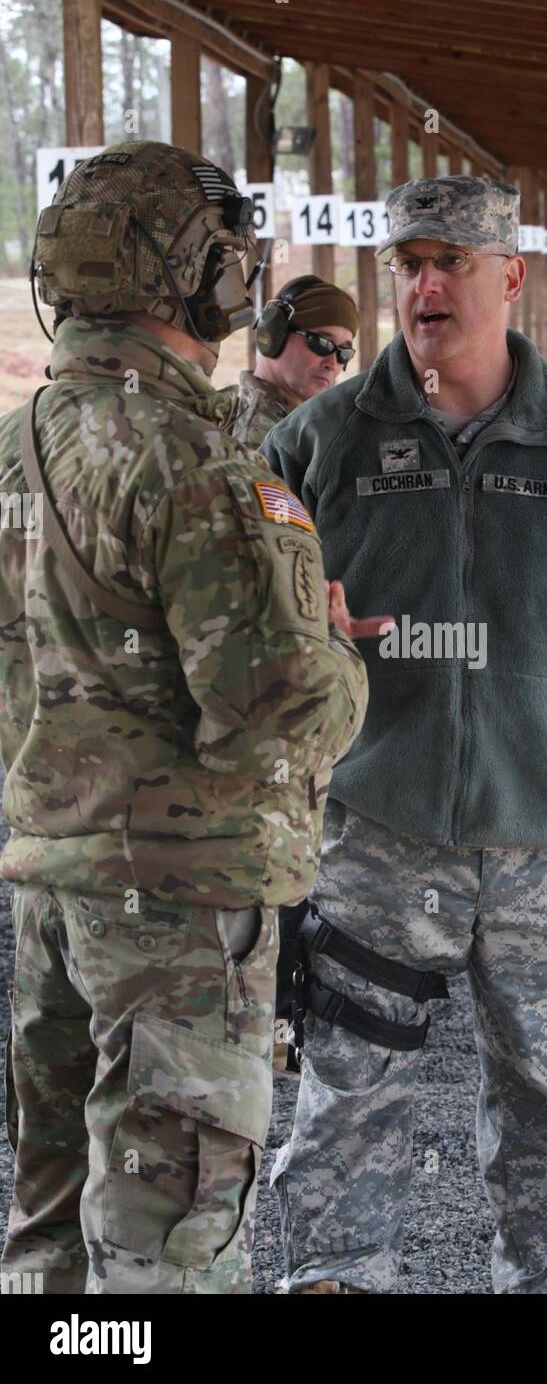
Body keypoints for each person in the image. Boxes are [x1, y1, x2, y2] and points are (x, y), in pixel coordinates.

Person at [261, 174, 547, 1296]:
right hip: (373, 832)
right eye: (406, 262)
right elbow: (238, 646)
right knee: (346, 1093)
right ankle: (331, 1277)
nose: (423, 286)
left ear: (508, 277)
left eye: (449, 261)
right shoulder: (314, 447)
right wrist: (299, 636)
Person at [0, 140, 374, 1295]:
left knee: (54, 1216)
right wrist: (341, 658)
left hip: (57, 893)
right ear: (205, 278)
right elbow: (272, 711)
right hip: (180, 912)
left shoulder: (22, 443)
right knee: (170, 1241)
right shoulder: (205, 465)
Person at [214, 275, 359, 448]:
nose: (333, 363)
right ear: (274, 335)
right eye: (321, 343)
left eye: (344, 353)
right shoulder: (264, 439)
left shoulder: (304, 423)